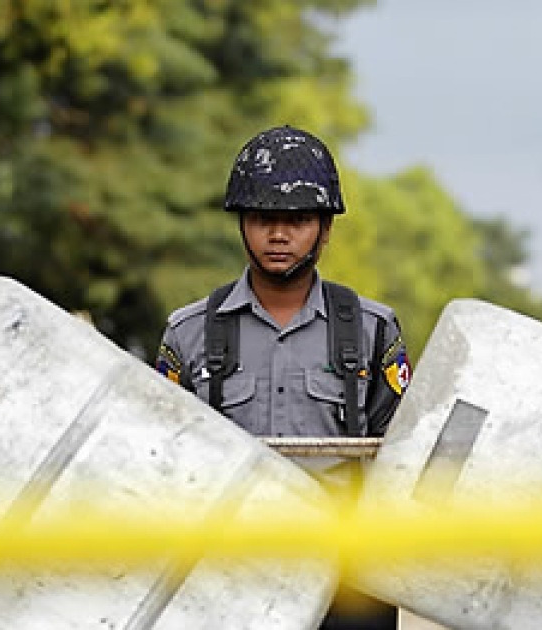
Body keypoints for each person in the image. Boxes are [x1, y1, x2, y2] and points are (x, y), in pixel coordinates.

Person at [156, 125, 411, 630]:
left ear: (325, 227)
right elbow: (160, 460)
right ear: (241, 225)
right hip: (226, 572)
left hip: (346, 578)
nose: (278, 235)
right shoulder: (187, 334)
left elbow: (404, 459)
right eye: (262, 219)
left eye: (296, 220)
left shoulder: (371, 330)